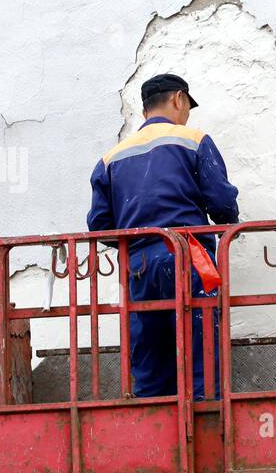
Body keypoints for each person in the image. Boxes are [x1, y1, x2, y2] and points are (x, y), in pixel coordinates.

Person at [87, 73, 239, 398]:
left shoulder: (111, 158)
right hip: (190, 255)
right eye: (187, 107)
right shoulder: (194, 140)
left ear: (145, 111)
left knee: (150, 358)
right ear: (178, 99)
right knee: (202, 351)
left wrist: (137, 240)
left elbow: (100, 225)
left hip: (139, 265)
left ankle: (155, 433)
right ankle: (204, 425)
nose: (186, 115)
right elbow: (223, 204)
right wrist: (229, 224)